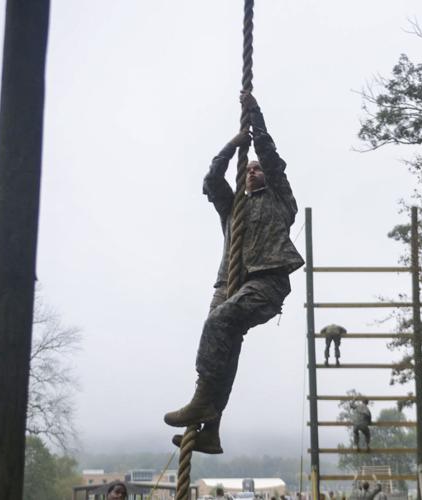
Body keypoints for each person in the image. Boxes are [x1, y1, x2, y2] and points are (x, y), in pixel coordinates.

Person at [164, 91, 305, 452]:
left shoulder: (281, 199)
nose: (254, 170)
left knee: (219, 324)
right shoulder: (232, 208)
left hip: (267, 281)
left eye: (256, 168)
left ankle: (202, 402)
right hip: (227, 283)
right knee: (224, 346)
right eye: (249, 168)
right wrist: (231, 147)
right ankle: (210, 430)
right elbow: (212, 180)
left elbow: (272, 158)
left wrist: (254, 116)